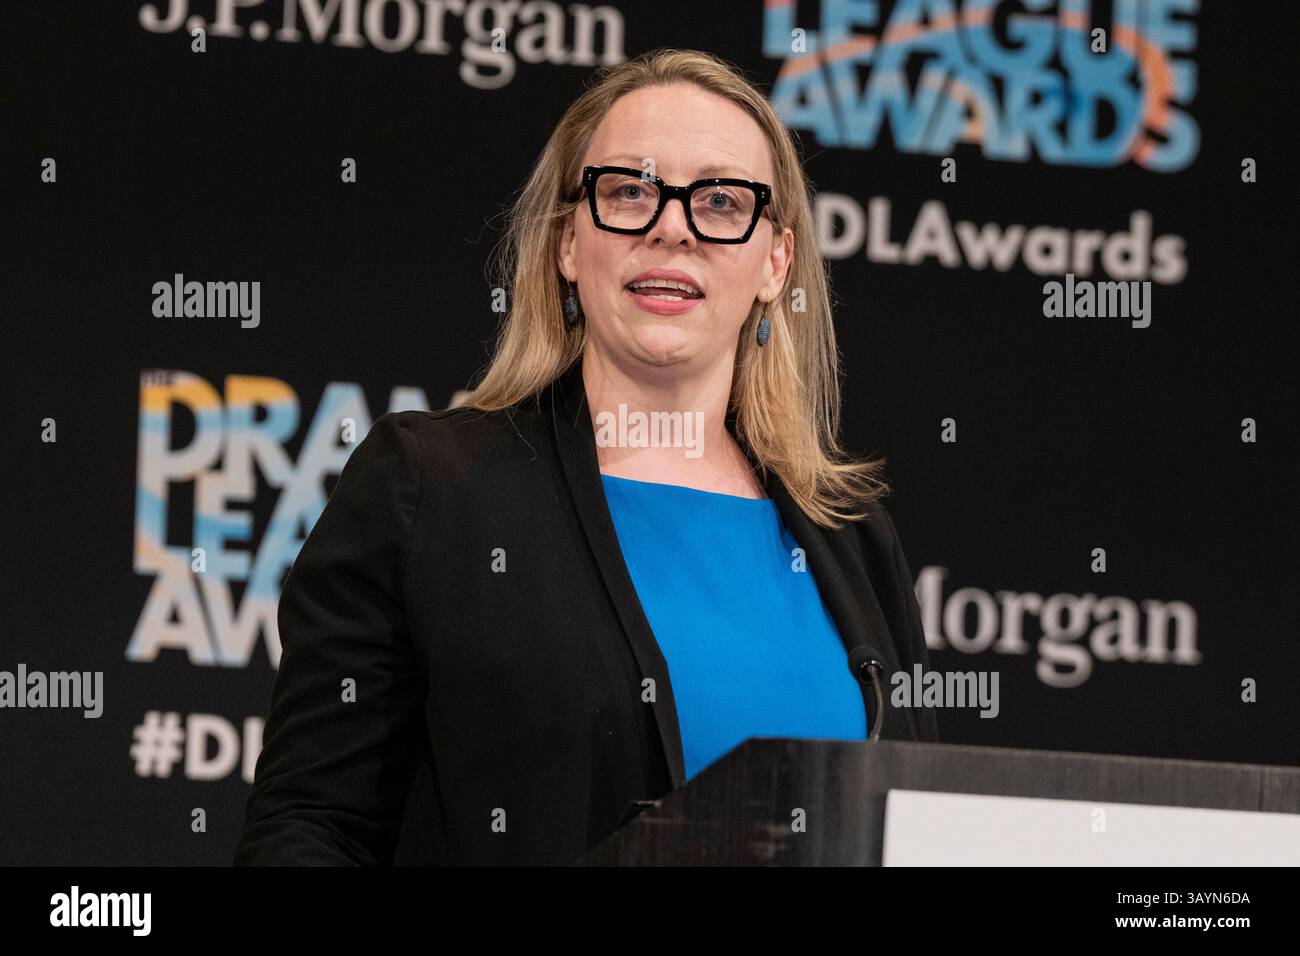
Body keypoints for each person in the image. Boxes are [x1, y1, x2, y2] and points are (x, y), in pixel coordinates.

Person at [235, 48, 939, 867]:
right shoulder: (430, 491)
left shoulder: (851, 539)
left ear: (775, 263)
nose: (671, 226)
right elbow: (309, 830)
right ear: (570, 241)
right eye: (631, 191)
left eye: (719, 200)